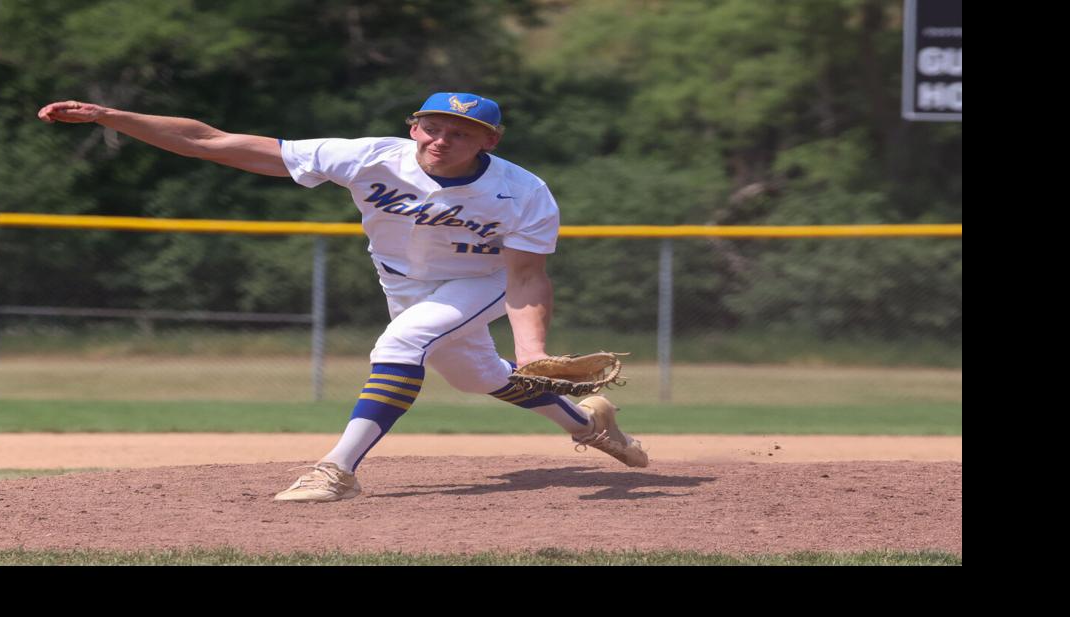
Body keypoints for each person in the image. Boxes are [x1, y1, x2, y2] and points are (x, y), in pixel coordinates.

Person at [38, 91, 647, 501]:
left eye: (462, 133)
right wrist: (111, 117)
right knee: (473, 375)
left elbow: (526, 276)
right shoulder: (369, 157)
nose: (442, 139)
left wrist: (535, 348)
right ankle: (592, 422)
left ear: (488, 140)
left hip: (481, 283)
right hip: (403, 284)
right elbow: (210, 141)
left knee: (404, 342)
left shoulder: (522, 191)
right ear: (415, 128)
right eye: (433, 127)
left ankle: (336, 469)